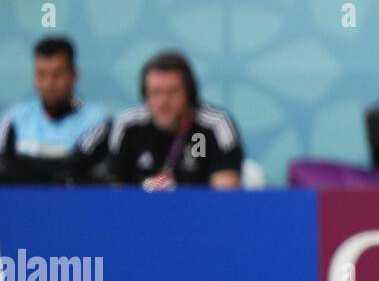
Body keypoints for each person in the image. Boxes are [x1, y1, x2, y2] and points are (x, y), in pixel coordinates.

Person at [106, 51, 244, 189]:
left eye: (172, 92)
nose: (163, 101)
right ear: (145, 94)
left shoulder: (215, 125)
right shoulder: (128, 126)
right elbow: (114, 194)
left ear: (190, 93)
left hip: (200, 208)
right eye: (155, 92)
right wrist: (148, 189)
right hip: (140, 208)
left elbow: (225, 197)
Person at [0, 37, 108, 185]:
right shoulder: (15, 117)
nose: (49, 83)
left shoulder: (96, 120)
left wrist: (20, 164)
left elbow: (77, 169)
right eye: (41, 74)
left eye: (57, 74)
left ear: (74, 75)